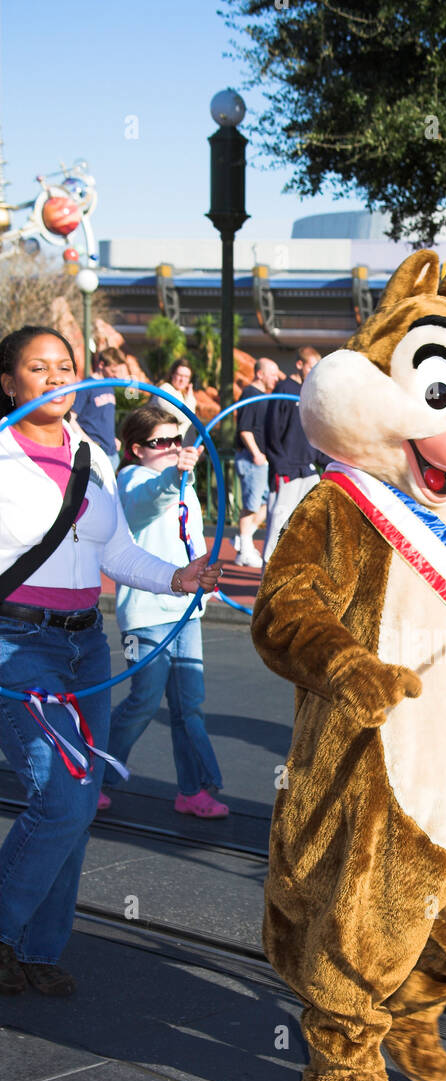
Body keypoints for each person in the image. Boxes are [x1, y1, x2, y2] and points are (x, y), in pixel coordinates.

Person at [0, 326, 221, 998]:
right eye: (38, 368)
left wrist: (180, 578)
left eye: (65, 366)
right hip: (17, 646)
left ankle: (38, 950)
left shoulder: (92, 455)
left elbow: (116, 553)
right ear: (9, 383)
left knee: (77, 804)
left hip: (86, 646)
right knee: (62, 794)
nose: (55, 377)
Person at [98, 406, 228, 820]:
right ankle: (94, 774)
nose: (173, 448)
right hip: (146, 613)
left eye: (177, 440)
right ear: (137, 449)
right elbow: (146, 505)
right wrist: (175, 476)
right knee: (144, 699)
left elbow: (188, 536)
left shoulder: (182, 482)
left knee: (189, 704)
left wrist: (205, 581)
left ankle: (193, 790)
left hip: (185, 609)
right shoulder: (130, 479)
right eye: (161, 442)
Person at [262, 348, 329, 564]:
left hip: (308, 469)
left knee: (311, 523)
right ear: (299, 365)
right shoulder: (283, 389)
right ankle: (267, 580)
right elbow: (271, 430)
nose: (313, 373)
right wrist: (280, 465)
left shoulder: (310, 391)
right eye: (310, 367)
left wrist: (326, 462)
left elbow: (315, 431)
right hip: (287, 471)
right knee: (278, 527)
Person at [233, 357, 281, 568]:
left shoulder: (265, 397)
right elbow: (245, 428)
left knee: (264, 503)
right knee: (251, 506)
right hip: (253, 459)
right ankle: (244, 548)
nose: (276, 378)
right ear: (260, 374)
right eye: (272, 374)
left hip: (261, 459)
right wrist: (256, 454)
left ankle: (243, 539)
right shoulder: (250, 395)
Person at [70, 346, 127, 472]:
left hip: (112, 452)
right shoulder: (86, 387)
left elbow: (104, 417)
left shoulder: (108, 385)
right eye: (113, 370)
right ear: (101, 365)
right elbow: (70, 418)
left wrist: (113, 439)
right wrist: (89, 443)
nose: (116, 375)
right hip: (95, 452)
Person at [155, 358, 200, 447]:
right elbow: (185, 416)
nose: (182, 380)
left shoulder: (182, 395)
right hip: (164, 446)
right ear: (172, 374)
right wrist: (190, 397)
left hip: (180, 448)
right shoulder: (164, 390)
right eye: (179, 375)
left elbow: (190, 424)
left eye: (186, 377)